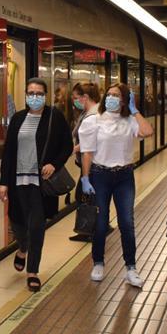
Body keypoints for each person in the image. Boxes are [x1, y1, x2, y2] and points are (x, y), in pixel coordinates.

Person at [0, 78, 73, 292]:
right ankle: (22, 247)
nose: (35, 97)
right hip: (17, 180)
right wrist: (4, 183)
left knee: (37, 226)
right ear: (25, 94)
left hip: (41, 183)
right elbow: (8, 152)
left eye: (39, 93)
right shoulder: (18, 118)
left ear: (45, 95)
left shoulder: (54, 117)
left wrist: (54, 164)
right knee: (18, 222)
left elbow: (66, 146)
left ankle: (32, 272)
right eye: (31, 93)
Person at [79, 83, 154, 287]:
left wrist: (135, 110)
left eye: (116, 95)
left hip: (124, 176)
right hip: (100, 175)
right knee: (101, 223)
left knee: (127, 223)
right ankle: (98, 262)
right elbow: (87, 152)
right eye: (109, 94)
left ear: (124, 100)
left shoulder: (129, 121)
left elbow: (148, 131)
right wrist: (85, 178)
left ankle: (131, 268)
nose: (111, 98)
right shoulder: (93, 121)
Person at [69, 82, 101, 242]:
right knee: (87, 195)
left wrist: (72, 149)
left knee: (85, 195)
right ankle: (91, 228)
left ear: (85, 97)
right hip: (88, 162)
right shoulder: (86, 112)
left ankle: (88, 230)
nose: (73, 101)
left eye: (75, 98)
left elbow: (90, 141)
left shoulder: (94, 115)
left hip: (93, 163)